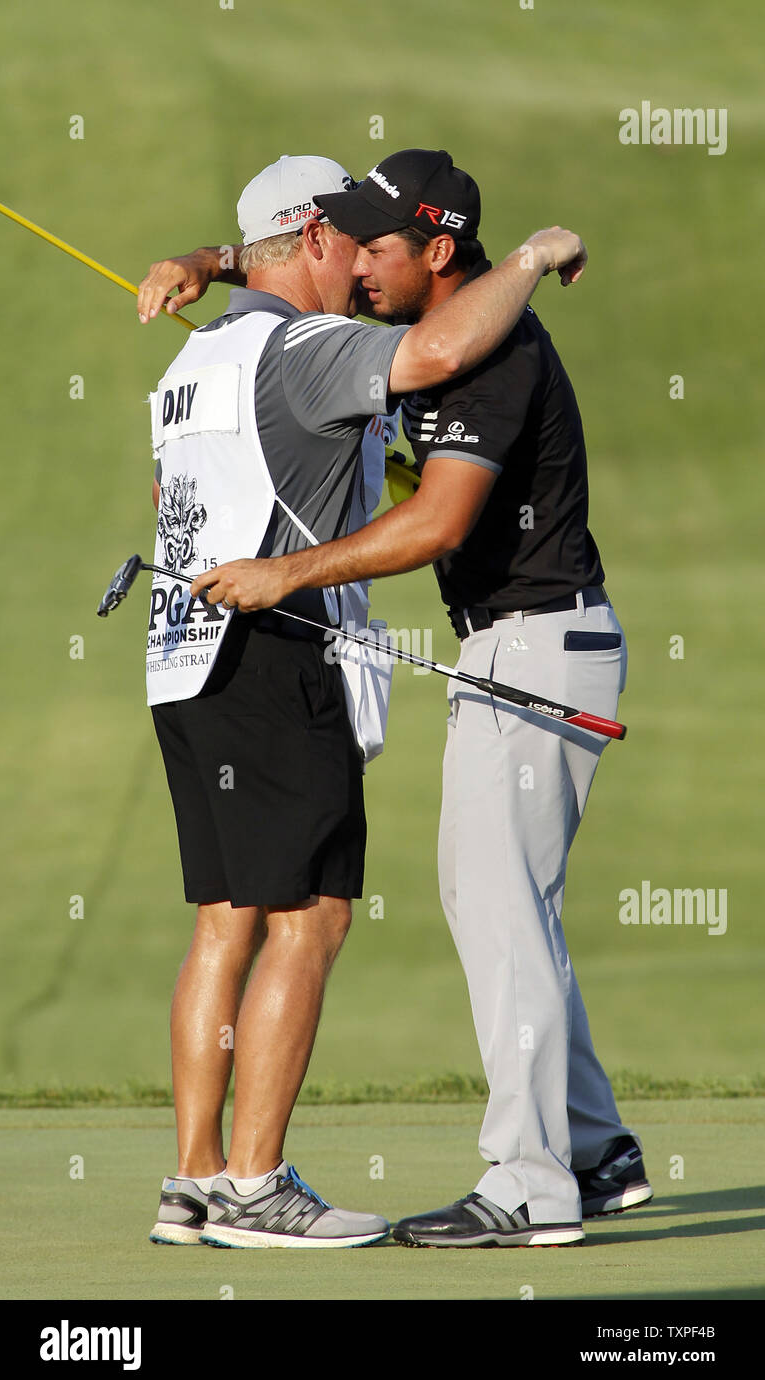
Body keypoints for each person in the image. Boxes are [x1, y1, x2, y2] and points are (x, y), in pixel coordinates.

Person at [173, 148, 653, 1249]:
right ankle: (595, 1145)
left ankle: (531, 1186)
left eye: (375, 245)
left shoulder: (491, 353)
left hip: (538, 648)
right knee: (501, 902)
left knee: (497, 910)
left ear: (439, 252)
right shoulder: (420, 346)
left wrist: (286, 573)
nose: (355, 262)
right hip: (510, 650)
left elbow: (435, 524)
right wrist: (213, 264)